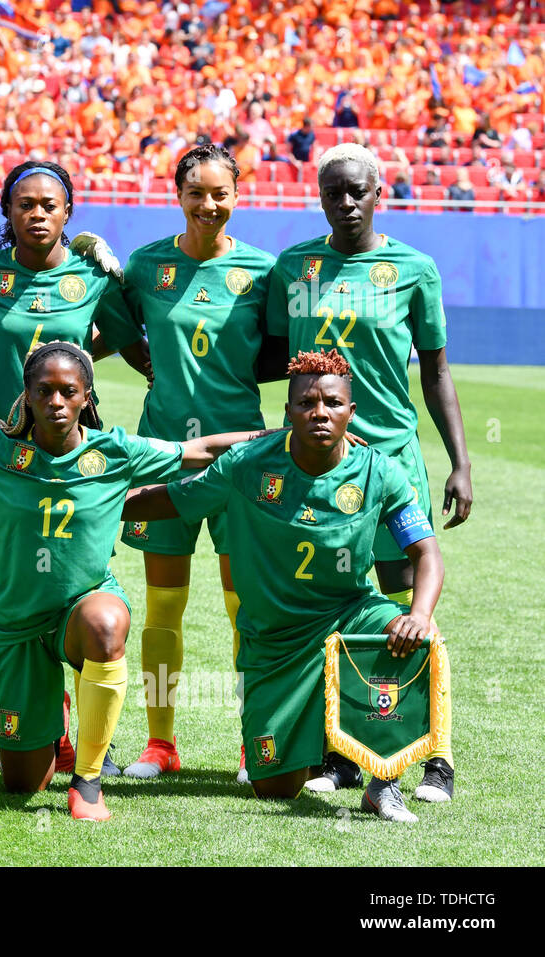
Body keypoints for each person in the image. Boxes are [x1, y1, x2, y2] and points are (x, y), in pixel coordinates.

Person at [0, 342, 269, 820]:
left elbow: (199, 450)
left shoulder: (115, 451)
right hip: (16, 624)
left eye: (68, 392)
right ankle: (50, 720)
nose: (56, 402)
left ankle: (88, 778)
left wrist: (280, 436)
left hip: (81, 610)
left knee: (106, 623)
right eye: (45, 391)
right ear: (27, 395)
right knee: (22, 785)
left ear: (86, 397)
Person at [122, 349, 446, 822]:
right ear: (288, 412)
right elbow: (173, 499)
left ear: (350, 412)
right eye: (307, 403)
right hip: (274, 639)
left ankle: (383, 781)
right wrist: (96, 498)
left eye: (333, 403)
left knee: (411, 634)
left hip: (348, 618)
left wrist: (418, 615)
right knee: (275, 788)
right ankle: (316, 735)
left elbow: (426, 552)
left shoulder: (379, 472)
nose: (320, 413)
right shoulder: (249, 464)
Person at [265, 143, 469, 802]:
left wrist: (460, 462)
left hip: (391, 464)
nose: (346, 203)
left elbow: (435, 371)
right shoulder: (295, 267)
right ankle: (349, 751)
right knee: (334, 607)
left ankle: (436, 753)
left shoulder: (413, 268)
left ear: (379, 191)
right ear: (318, 196)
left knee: (410, 606)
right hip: (318, 466)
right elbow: (267, 354)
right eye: (334, 192)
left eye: (358, 191)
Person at [0, 160, 149, 777]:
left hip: (73, 458)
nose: (36, 214)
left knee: (76, 588)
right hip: (1, 458)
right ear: (6, 213)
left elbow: (133, 344)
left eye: (49, 205)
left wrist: (81, 358)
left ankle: (83, 745)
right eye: (24, 204)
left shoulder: (90, 276)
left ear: (68, 213)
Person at [108, 144, 282, 784]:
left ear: (239, 195)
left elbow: (278, 355)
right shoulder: (148, 265)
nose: (209, 206)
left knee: (247, 610)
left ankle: (249, 744)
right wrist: (155, 370)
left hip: (240, 457)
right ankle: (161, 744)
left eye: (220, 194)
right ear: (176, 194)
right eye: (196, 193)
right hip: (164, 457)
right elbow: (119, 330)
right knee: (163, 606)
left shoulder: (263, 272)